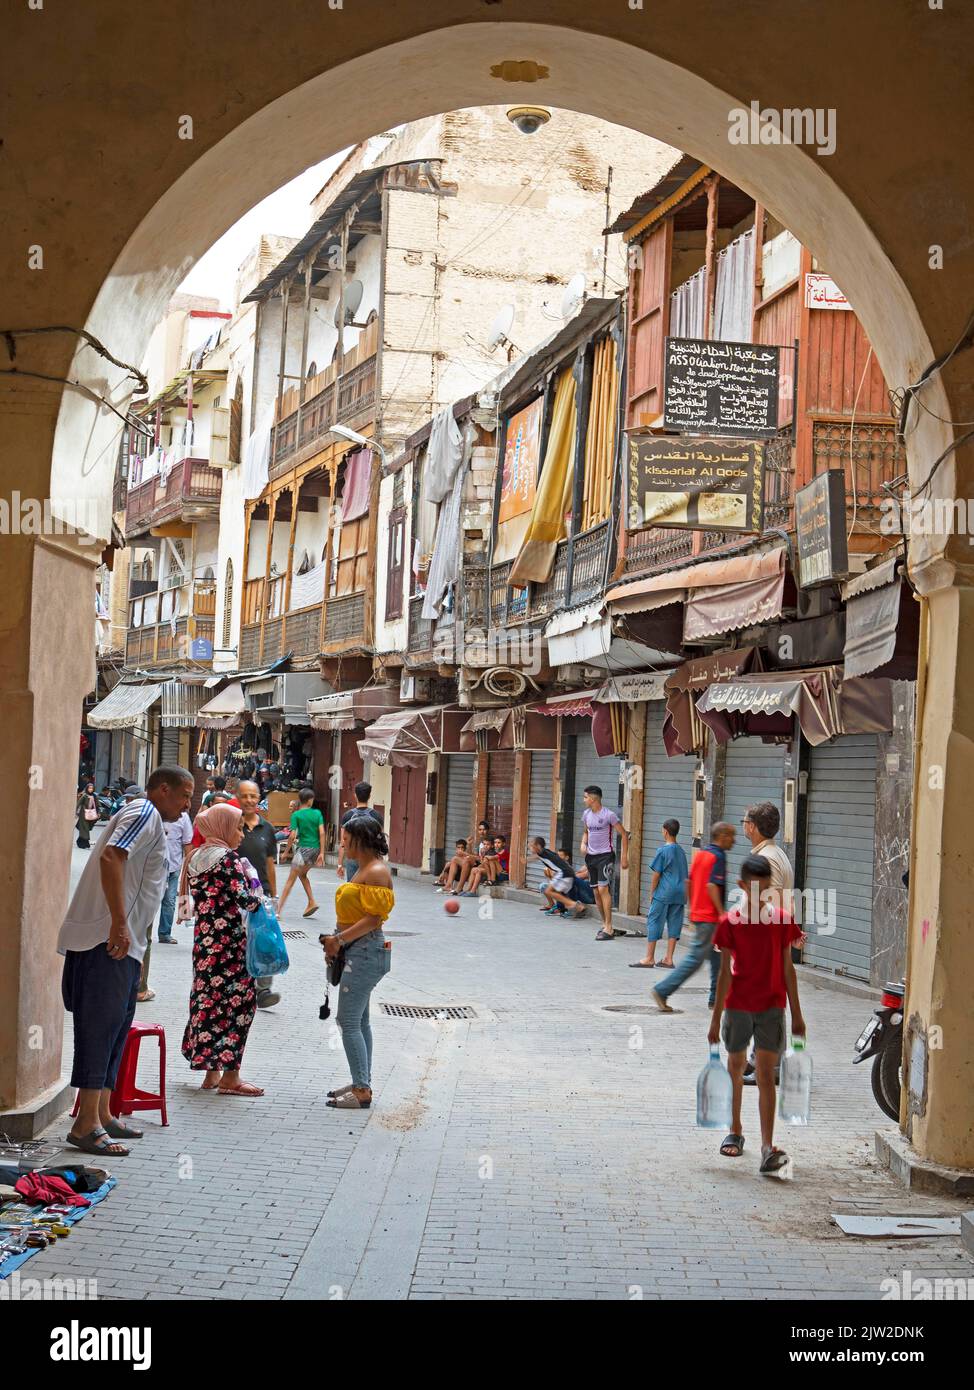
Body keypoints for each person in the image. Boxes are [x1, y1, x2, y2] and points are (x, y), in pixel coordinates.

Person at [58, 766, 195, 1156]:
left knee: (117, 1027)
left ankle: (101, 1113)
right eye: (184, 795)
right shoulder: (145, 813)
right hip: (108, 941)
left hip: (123, 943)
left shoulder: (148, 817)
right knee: (99, 1029)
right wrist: (118, 923)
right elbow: (113, 856)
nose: (188, 805)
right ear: (163, 790)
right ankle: (85, 1125)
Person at [709, 854, 806, 1174]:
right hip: (737, 1006)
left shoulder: (781, 920)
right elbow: (723, 974)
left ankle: (768, 1146)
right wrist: (714, 1019)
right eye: (754, 888)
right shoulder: (729, 923)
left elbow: (788, 969)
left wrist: (798, 1015)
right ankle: (735, 1130)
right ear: (741, 886)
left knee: (765, 1075)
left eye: (765, 890)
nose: (759, 895)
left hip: (772, 1007)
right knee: (735, 1068)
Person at [179, 804, 264, 1095]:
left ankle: (210, 1074)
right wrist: (260, 896)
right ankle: (230, 1077)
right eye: (238, 827)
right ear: (223, 827)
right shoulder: (228, 860)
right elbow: (245, 901)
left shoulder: (195, 857)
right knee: (238, 1006)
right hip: (230, 947)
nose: (241, 833)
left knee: (207, 1004)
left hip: (204, 946)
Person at [323, 817, 394, 1110]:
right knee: (360, 1020)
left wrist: (339, 940)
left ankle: (362, 1089)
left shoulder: (376, 871)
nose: (342, 844)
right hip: (357, 950)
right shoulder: (364, 869)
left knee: (348, 1020)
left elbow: (373, 919)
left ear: (360, 841)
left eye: (345, 839)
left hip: (364, 951)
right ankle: (360, 1081)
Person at [651, 822, 735, 1013]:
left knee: (718, 958)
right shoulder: (718, 856)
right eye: (731, 835)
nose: (734, 840)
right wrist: (721, 913)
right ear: (721, 836)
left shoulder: (702, 854)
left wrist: (691, 908)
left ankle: (716, 998)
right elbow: (712, 886)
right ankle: (662, 990)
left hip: (699, 913)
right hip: (709, 917)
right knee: (695, 959)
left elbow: (689, 881)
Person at [739, 802, 795, 1084]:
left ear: (753, 826)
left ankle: (768, 1066)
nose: (743, 827)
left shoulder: (769, 859)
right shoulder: (775, 853)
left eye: (745, 822)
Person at [135, 804, 193, 1005]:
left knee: (168, 902)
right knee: (143, 936)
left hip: (173, 866)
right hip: (148, 879)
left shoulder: (183, 818)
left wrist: (187, 869)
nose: (186, 804)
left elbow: (187, 844)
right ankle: (138, 987)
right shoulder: (148, 817)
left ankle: (165, 932)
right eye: (184, 796)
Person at [237, 779, 282, 1010]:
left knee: (265, 940)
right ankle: (241, 986)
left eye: (253, 796)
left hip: (261, 894)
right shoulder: (233, 824)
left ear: (258, 799)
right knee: (240, 942)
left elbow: (270, 864)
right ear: (238, 797)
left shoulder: (268, 828)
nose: (249, 800)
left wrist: (274, 896)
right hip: (236, 894)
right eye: (245, 795)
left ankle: (263, 990)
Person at [632, 818, 689, 969]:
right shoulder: (681, 851)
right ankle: (669, 959)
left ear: (664, 831)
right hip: (680, 893)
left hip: (665, 892)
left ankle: (649, 957)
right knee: (675, 923)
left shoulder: (663, 851)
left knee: (654, 920)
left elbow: (656, 874)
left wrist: (652, 893)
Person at [580, 785, 629, 940]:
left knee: (603, 889)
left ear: (593, 798)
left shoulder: (609, 815)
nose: (584, 800)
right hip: (591, 857)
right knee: (595, 891)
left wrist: (624, 857)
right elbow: (586, 831)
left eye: (585, 797)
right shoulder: (586, 814)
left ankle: (608, 927)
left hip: (605, 856)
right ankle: (606, 924)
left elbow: (624, 834)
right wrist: (583, 843)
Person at [278, 787, 325, 917]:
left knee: (290, 881)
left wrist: (286, 852)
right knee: (302, 875)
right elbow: (321, 833)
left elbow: (292, 836)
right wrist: (322, 853)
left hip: (303, 850)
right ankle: (311, 901)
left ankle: (278, 911)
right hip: (315, 850)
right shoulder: (317, 814)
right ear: (310, 800)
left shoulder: (296, 815)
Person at [337, 781, 383, 882]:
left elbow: (343, 843)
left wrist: (340, 864)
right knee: (370, 888)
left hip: (353, 855)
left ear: (355, 795)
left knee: (353, 888)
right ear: (369, 796)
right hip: (370, 857)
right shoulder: (377, 816)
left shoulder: (347, 816)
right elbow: (380, 840)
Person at [530, 837, 586, 917]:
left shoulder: (542, 853)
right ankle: (569, 906)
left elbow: (535, 857)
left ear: (538, 846)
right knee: (554, 891)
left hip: (564, 873)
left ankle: (575, 905)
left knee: (548, 891)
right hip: (565, 874)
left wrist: (526, 860)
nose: (530, 848)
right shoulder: (545, 852)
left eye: (531, 846)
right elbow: (535, 857)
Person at [75, 781, 98, 850]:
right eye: (89, 788)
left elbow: (97, 804)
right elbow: (78, 803)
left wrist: (98, 812)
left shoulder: (94, 796)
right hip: (83, 813)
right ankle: (85, 843)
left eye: (92, 788)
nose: (90, 789)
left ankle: (80, 841)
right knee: (84, 828)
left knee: (87, 827)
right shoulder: (84, 795)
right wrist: (75, 812)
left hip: (91, 814)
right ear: (87, 788)